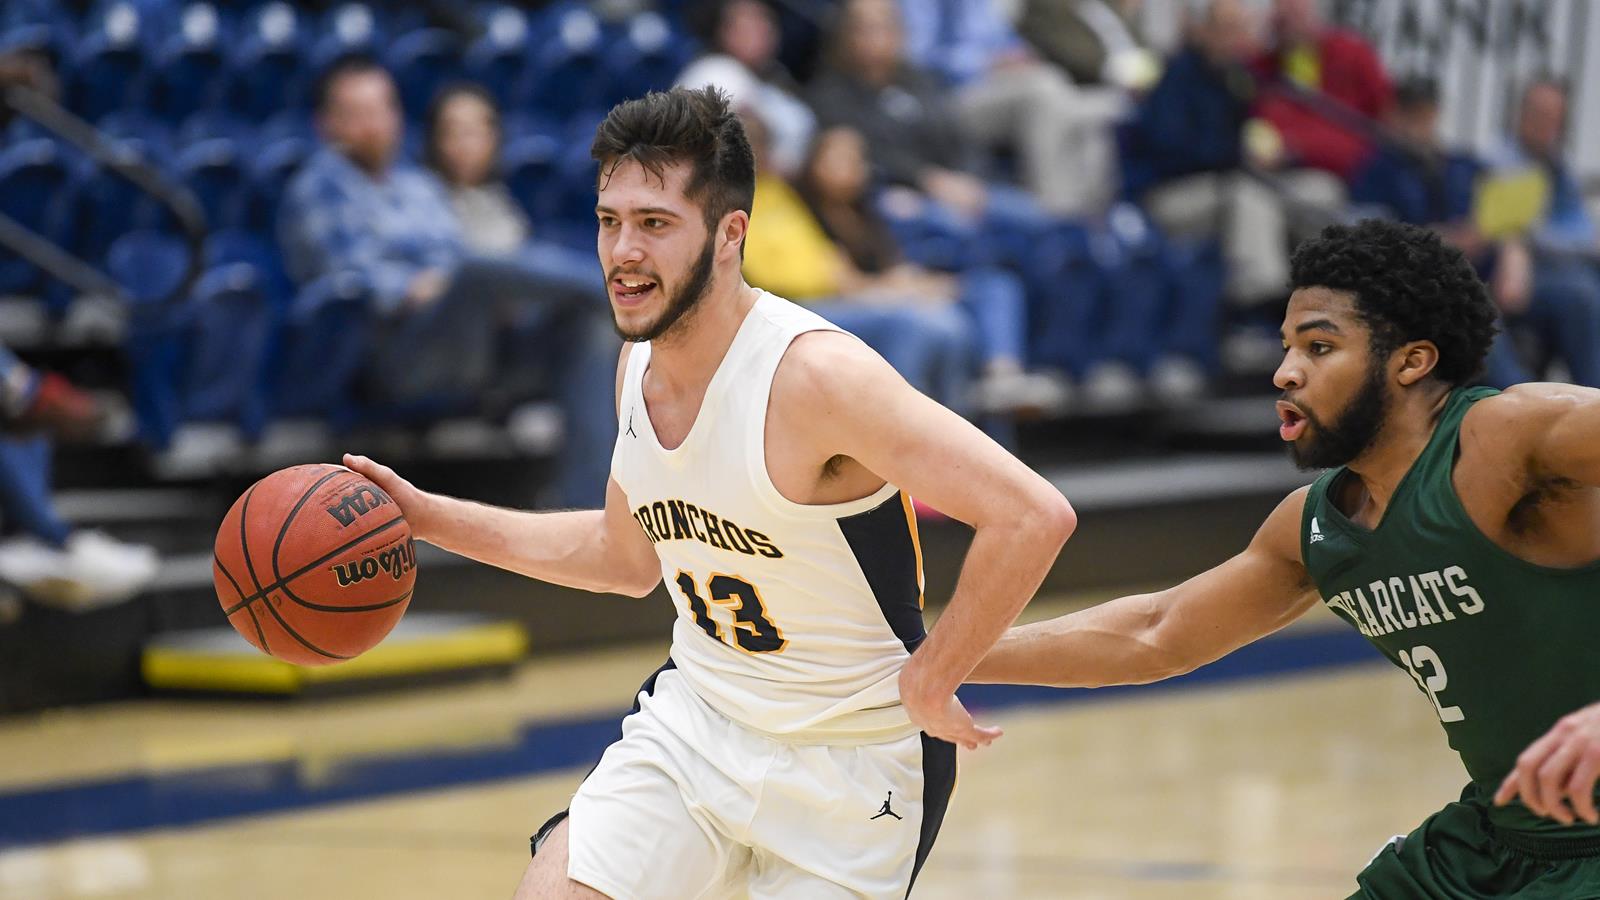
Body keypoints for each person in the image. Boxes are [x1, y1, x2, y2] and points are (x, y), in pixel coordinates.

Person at [343, 86, 1077, 898]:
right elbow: (622, 559)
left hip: (854, 763)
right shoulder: (637, 362)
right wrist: (427, 516)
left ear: (730, 234)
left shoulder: (817, 377)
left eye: (654, 224)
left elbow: (1031, 514)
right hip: (697, 726)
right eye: (608, 220)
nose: (623, 250)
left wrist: (934, 676)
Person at [970, 218, 1600, 897]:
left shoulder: (1508, 437)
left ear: (1412, 362)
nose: (1284, 372)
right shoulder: (1316, 524)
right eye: (1287, 347)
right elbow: (1153, 632)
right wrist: (938, 656)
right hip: (1496, 841)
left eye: (1319, 346)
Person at [278, 54, 616, 508]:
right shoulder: (318, 187)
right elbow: (344, 281)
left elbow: (459, 261)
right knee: (478, 268)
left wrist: (472, 291)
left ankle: (587, 507)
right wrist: (417, 284)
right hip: (396, 353)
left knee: (587, 324)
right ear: (327, 125)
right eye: (356, 114)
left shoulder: (417, 185)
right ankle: (614, 285)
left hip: (472, 336)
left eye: (382, 110)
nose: (374, 125)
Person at [676, 0, 815, 177]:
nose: (760, 30)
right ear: (723, 31)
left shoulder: (782, 81)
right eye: (746, 25)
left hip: (776, 192)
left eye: (764, 22)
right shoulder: (710, 71)